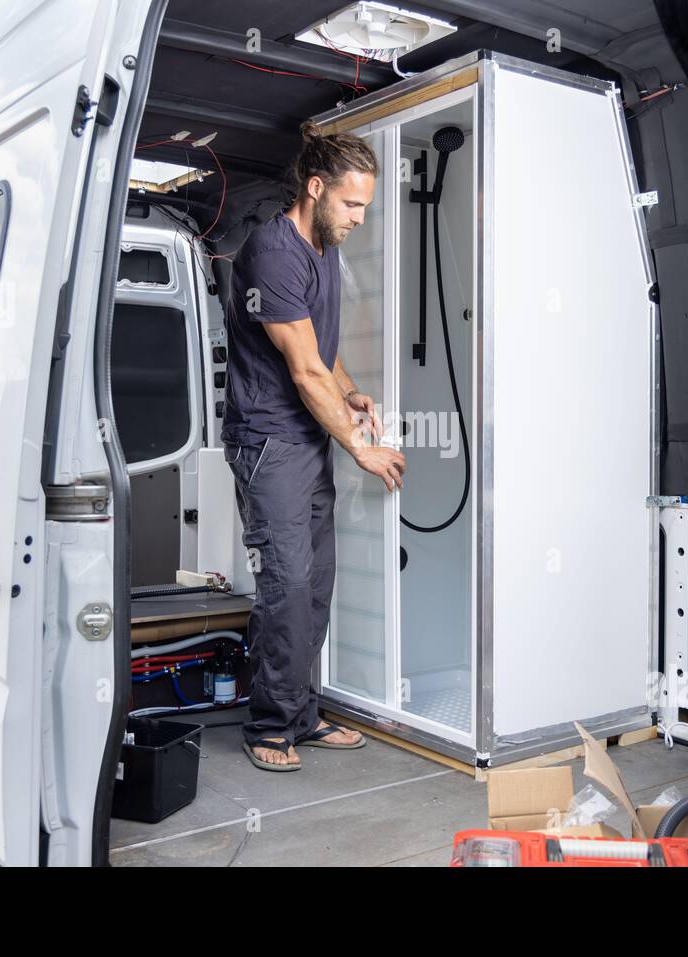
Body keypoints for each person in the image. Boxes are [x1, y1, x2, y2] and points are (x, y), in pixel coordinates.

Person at [222, 120, 407, 771]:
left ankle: (300, 710)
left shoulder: (324, 248)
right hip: (269, 441)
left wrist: (351, 391)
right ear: (316, 186)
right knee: (288, 581)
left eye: (366, 207)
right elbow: (301, 370)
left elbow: (322, 356)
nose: (359, 217)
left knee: (316, 583)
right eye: (352, 204)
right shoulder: (274, 255)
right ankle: (269, 723)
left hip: (306, 439)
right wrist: (361, 447)